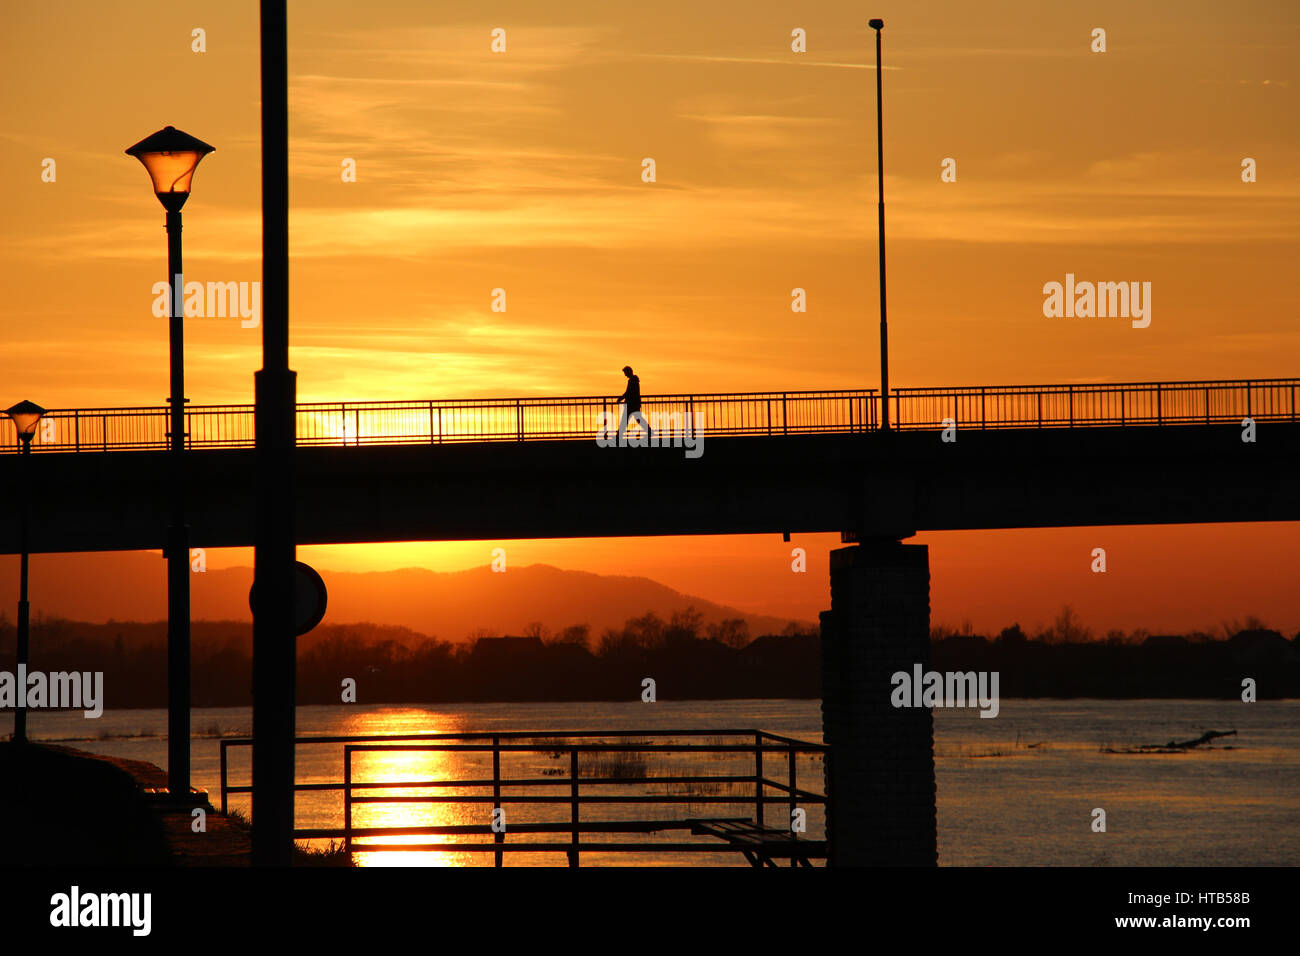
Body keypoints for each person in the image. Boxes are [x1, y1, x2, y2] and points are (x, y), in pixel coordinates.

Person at [617, 365, 653, 441]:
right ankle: (649, 431)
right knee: (637, 419)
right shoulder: (634, 380)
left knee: (626, 419)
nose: (625, 374)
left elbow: (628, 392)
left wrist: (621, 398)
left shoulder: (632, 380)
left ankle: (619, 436)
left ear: (628, 372)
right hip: (634, 403)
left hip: (631, 404)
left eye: (625, 372)